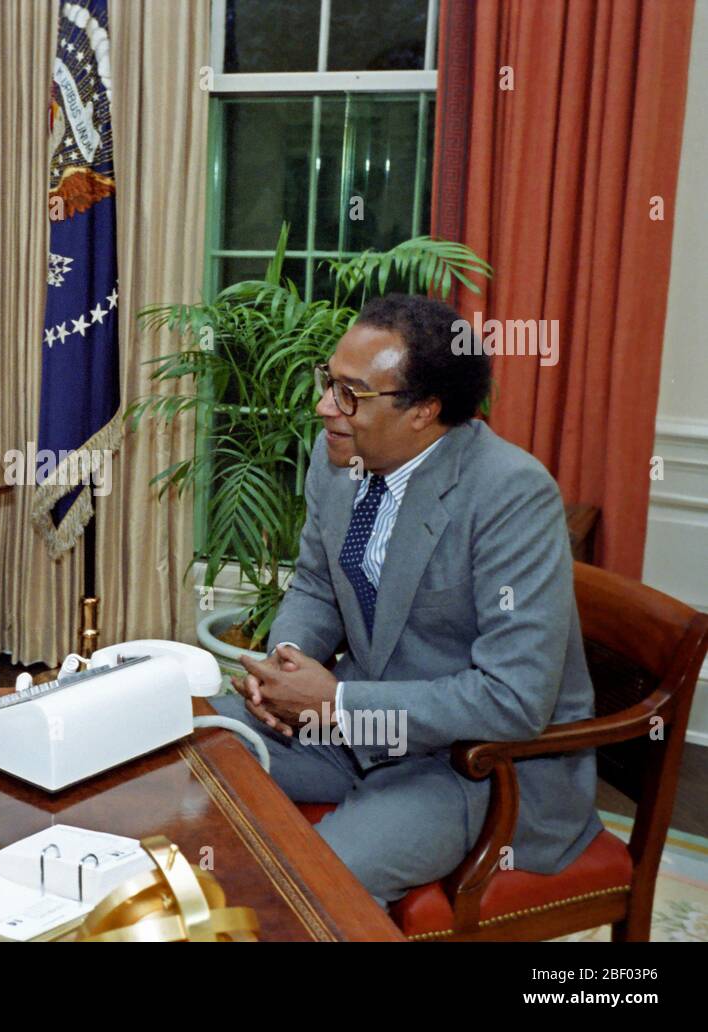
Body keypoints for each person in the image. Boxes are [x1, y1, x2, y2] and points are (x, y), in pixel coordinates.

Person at [211, 293, 601, 905]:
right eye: (328, 382)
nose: (324, 408)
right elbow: (317, 583)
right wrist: (286, 662)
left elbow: (515, 700)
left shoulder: (511, 495)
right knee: (187, 746)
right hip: (347, 730)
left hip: (473, 766)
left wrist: (340, 702)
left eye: (350, 394)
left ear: (423, 410)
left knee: (304, 889)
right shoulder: (339, 458)